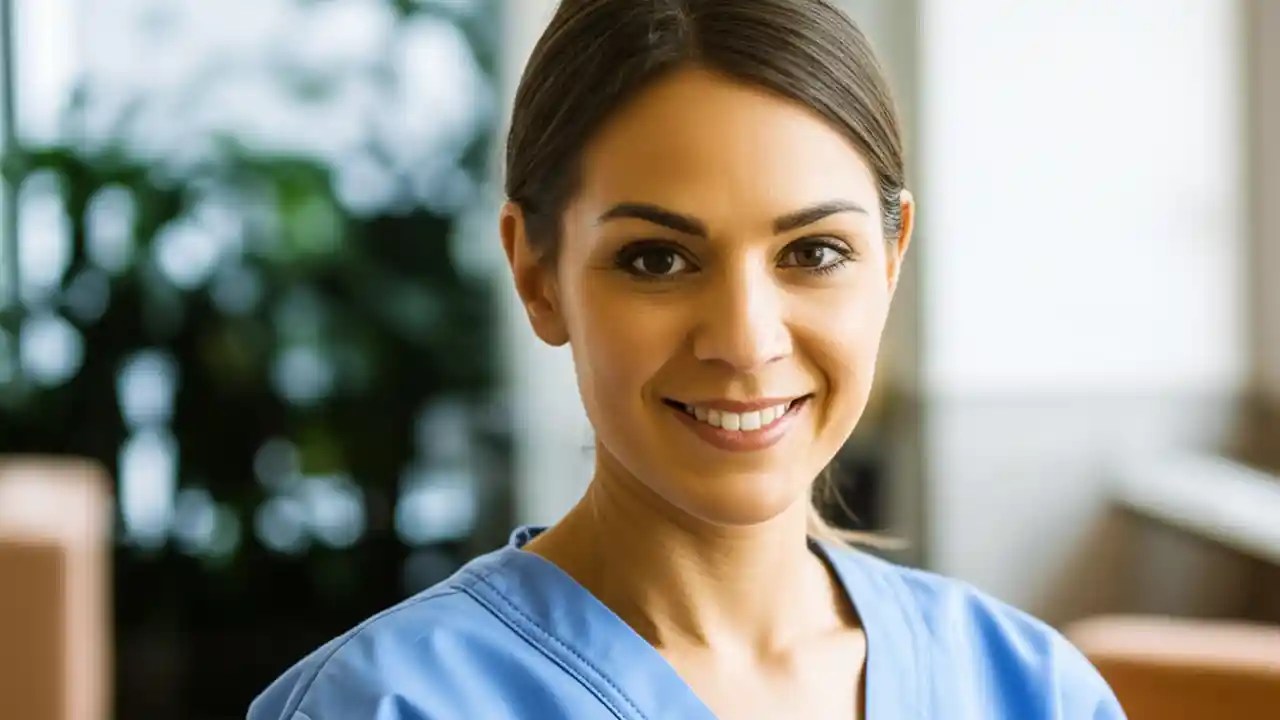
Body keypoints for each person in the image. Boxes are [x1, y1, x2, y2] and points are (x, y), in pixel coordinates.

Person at [248, 1, 1127, 717]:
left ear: (892, 260)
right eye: (657, 259)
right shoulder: (385, 705)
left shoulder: (1032, 690)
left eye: (814, 252)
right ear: (537, 274)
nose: (746, 340)